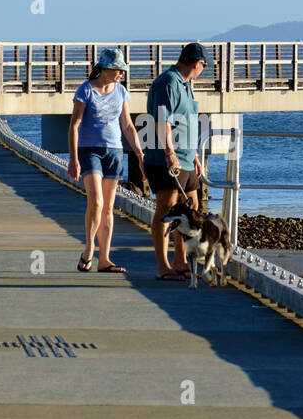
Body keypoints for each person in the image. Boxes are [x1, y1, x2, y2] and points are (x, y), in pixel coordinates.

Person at [68, 48, 144, 273]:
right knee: (97, 203)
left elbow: (128, 126)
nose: (121, 73)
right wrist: (73, 159)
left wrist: (139, 154)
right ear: (103, 69)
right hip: (89, 150)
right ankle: (89, 249)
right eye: (117, 69)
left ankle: (105, 259)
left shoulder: (121, 91)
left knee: (109, 207)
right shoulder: (86, 90)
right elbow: (74, 125)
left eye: (123, 70)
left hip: (115, 151)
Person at [143, 42, 207, 280]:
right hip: (167, 160)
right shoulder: (168, 83)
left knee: (190, 210)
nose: (203, 69)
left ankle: (181, 262)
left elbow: (187, 120)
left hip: (188, 159)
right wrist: (169, 152)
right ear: (196, 63)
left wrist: (196, 156)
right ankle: (163, 267)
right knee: (167, 209)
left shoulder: (187, 84)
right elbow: (163, 120)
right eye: (203, 65)